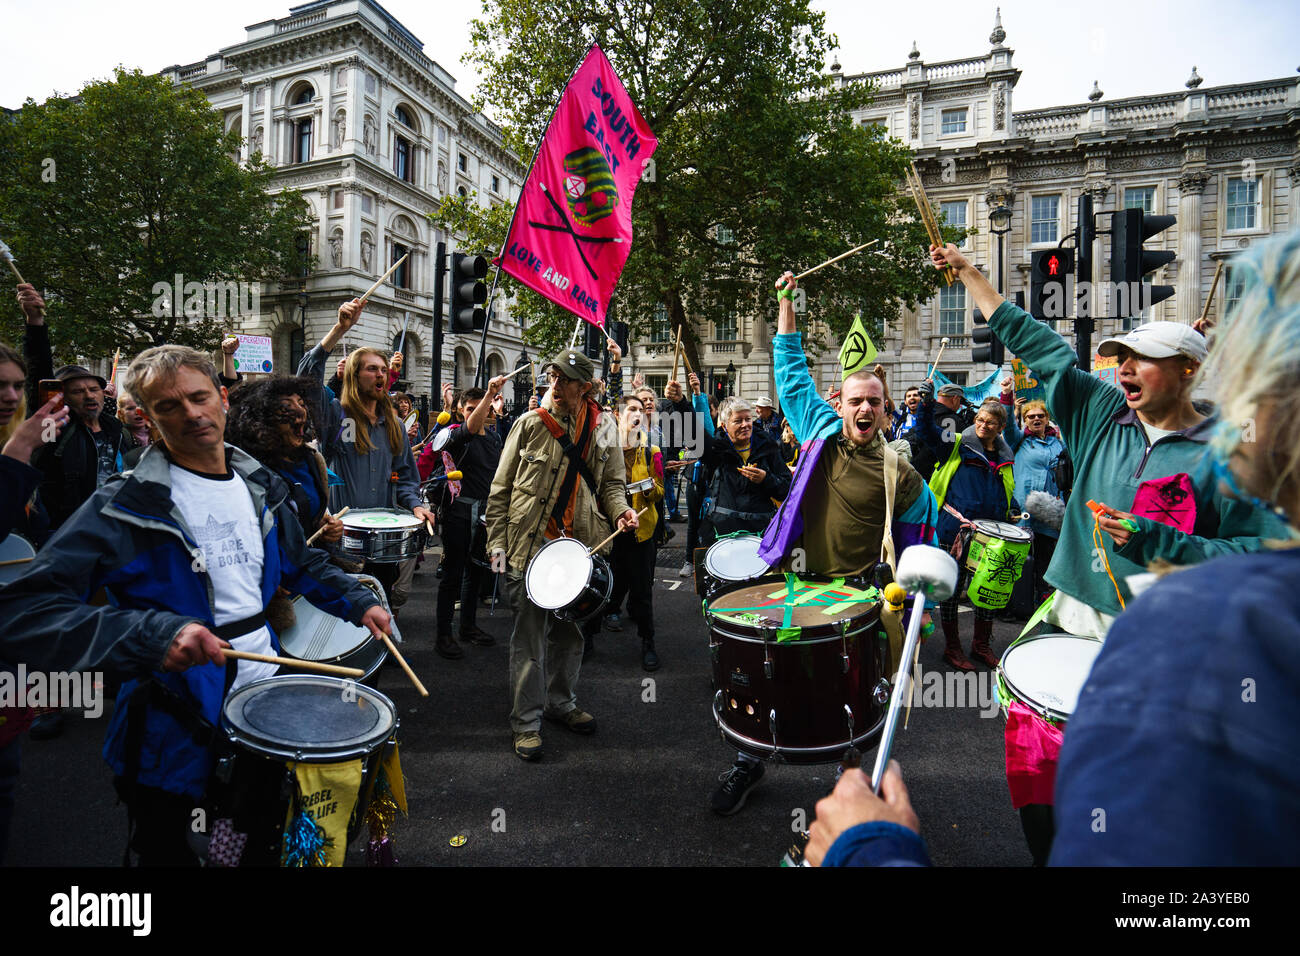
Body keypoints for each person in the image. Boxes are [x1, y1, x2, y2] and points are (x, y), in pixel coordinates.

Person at [808, 230, 1300, 867]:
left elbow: (1260, 552)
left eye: (1141, 358)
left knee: (1134, 796)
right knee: (1038, 783)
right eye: (1119, 355)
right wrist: (968, 273)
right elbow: (1037, 344)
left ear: (1188, 370)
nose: (1122, 367)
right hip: (1066, 618)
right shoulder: (1100, 410)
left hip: (1159, 641)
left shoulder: (1226, 453)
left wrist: (1163, 541)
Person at [0, 345, 392, 866]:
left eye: (199, 397)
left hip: (262, 704)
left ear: (223, 399)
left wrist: (359, 601)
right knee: (167, 849)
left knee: (246, 840)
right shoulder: (125, 504)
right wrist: (155, 636)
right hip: (171, 719)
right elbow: (26, 611)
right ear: (147, 415)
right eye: (167, 406)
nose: (189, 413)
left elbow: (301, 563)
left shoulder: (260, 485)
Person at [707, 270, 938, 816]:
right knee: (765, 676)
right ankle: (748, 761)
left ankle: (853, 787)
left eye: (874, 403)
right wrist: (786, 308)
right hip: (791, 585)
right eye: (856, 399)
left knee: (854, 697)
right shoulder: (817, 432)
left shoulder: (899, 474)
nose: (864, 410)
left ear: (885, 411)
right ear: (842, 402)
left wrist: (918, 608)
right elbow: (789, 376)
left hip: (858, 599)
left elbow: (918, 542)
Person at [486, 348, 637, 762]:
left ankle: (561, 703)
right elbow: (499, 492)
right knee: (530, 639)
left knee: (571, 635)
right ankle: (526, 723)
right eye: (552, 376)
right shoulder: (529, 424)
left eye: (563, 379)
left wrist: (622, 511)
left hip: (580, 550)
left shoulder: (605, 429)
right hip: (528, 546)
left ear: (584, 387)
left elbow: (611, 486)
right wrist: (497, 552)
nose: (553, 385)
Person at [296, 299, 436, 605]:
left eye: (384, 370)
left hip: (382, 545)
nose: (381, 375)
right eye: (372, 369)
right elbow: (305, 381)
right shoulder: (335, 414)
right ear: (355, 376)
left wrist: (415, 506)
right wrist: (339, 329)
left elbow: (408, 479)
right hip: (339, 542)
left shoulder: (395, 425)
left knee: (379, 611)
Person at [915, 389, 1019, 670]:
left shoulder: (1005, 454)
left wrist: (1012, 510)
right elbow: (925, 431)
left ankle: (980, 646)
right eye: (980, 420)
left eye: (991, 422)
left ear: (1001, 427)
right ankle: (952, 648)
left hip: (991, 536)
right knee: (952, 588)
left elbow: (1005, 489)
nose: (984, 425)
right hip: (954, 531)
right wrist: (925, 405)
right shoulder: (957, 443)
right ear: (975, 418)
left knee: (986, 590)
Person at [434, 381, 504, 659]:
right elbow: (470, 429)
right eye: (470, 409)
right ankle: (443, 635)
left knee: (476, 571)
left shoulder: (495, 438)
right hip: (459, 513)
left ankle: (468, 626)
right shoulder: (455, 434)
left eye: (482, 408)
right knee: (452, 575)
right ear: (461, 411)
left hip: (485, 513)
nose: (478, 412)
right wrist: (489, 394)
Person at [606, 393, 664, 671]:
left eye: (640, 409)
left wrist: (649, 488)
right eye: (631, 409)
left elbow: (661, 490)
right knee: (606, 585)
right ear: (618, 415)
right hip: (610, 528)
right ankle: (590, 639)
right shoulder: (605, 449)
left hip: (642, 529)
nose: (637, 414)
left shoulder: (652, 449)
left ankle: (648, 642)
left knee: (642, 591)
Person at [999, 389, 1066, 606]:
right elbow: (1009, 424)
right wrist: (1007, 397)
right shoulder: (1018, 440)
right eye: (1031, 416)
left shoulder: (1059, 443)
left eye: (1041, 415)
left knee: (1045, 561)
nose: (1036, 419)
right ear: (1025, 420)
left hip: (1050, 509)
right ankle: (1015, 604)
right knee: (1017, 559)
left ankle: (1043, 604)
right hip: (1023, 509)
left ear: (1047, 419)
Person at [908, 383, 973, 481]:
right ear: (955, 399)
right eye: (960, 401)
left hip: (916, 474)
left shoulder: (924, 414)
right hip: (938, 477)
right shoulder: (953, 421)